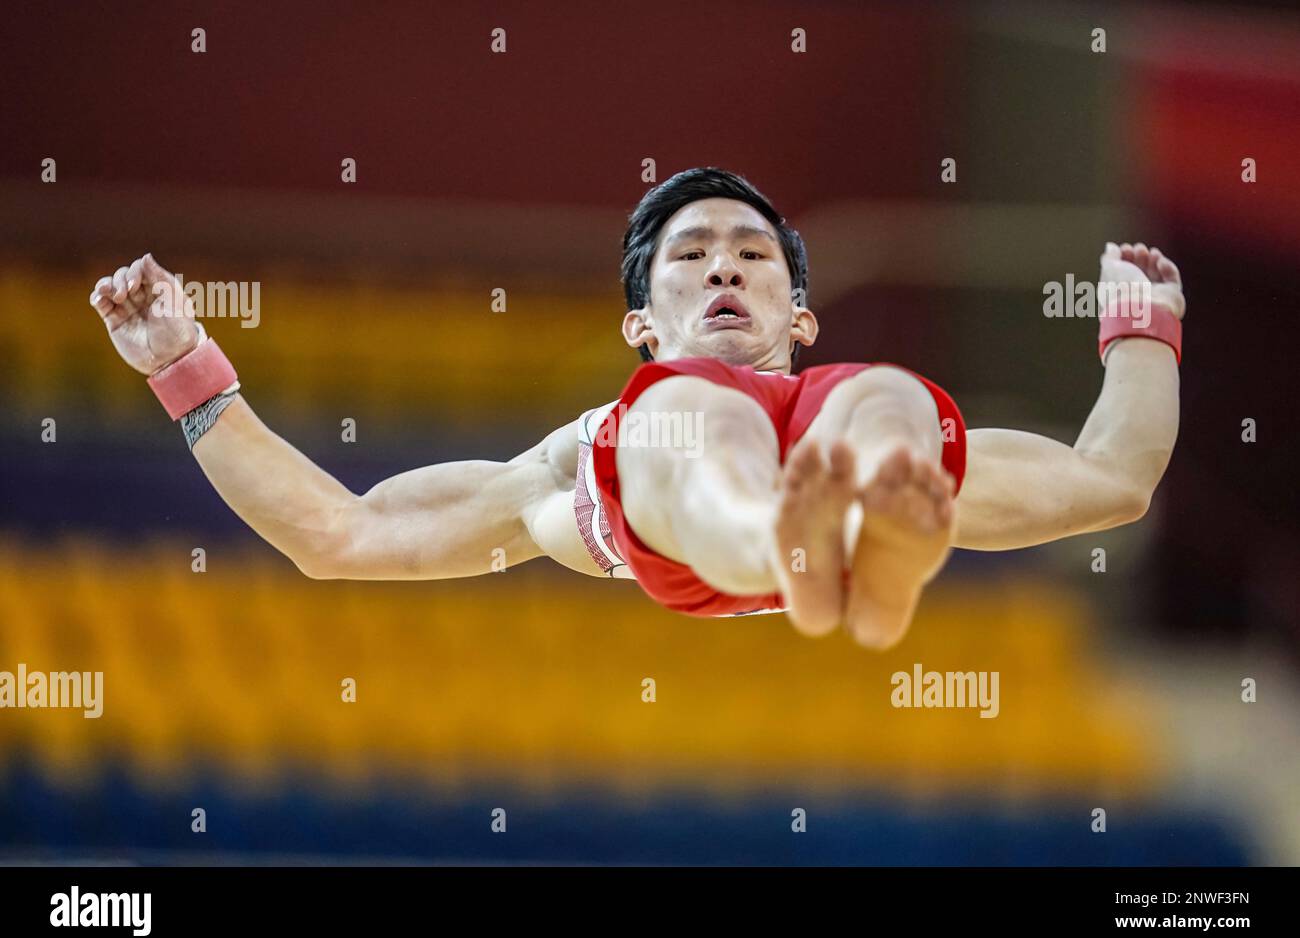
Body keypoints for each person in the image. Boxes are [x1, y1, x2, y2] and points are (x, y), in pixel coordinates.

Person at [89, 168, 1184, 648]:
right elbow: (340, 534)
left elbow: (1112, 481)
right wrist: (185, 367)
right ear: (638, 326)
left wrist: (1143, 331)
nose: (724, 268)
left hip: (831, 496)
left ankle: (861, 560)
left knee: (887, 396)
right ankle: (807, 546)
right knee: (693, 416)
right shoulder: (599, 432)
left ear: (799, 314)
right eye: (691, 255)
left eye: (753, 256)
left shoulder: (839, 396)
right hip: (682, 505)